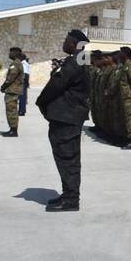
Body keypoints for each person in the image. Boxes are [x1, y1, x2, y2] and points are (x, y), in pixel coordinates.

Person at [36, 30, 91, 212]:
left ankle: (71, 200)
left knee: (68, 158)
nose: (64, 43)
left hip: (67, 117)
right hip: (69, 115)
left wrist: (41, 102)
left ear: (74, 42)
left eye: (66, 40)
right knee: (68, 158)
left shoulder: (75, 60)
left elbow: (57, 85)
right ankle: (68, 194)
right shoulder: (82, 58)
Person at [0, 47, 25, 137]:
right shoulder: (17, 63)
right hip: (13, 90)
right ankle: (12, 129)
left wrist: (3, 86)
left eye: (11, 52)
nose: (9, 54)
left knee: (11, 110)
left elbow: (10, 78)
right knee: (12, 110)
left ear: (15, 53)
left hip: (12, 90)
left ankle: (13, 131)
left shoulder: (15, 64)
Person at [18, 53, 30, 117]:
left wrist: (26, 83)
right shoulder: (24, 63)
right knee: (22, 97)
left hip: (23, 82)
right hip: (24, 82)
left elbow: (26, 74)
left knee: (22, 97)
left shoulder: (23, 64)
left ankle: (22, 111)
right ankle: (21, 110)